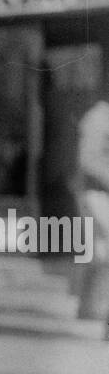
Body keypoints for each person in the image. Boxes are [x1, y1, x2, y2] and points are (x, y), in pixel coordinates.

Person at [74, 99, 109, 334]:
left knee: (100, 254)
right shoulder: (99, 118)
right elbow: (88, 160)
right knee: (100, 253)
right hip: (100, 195)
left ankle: (91, 308)